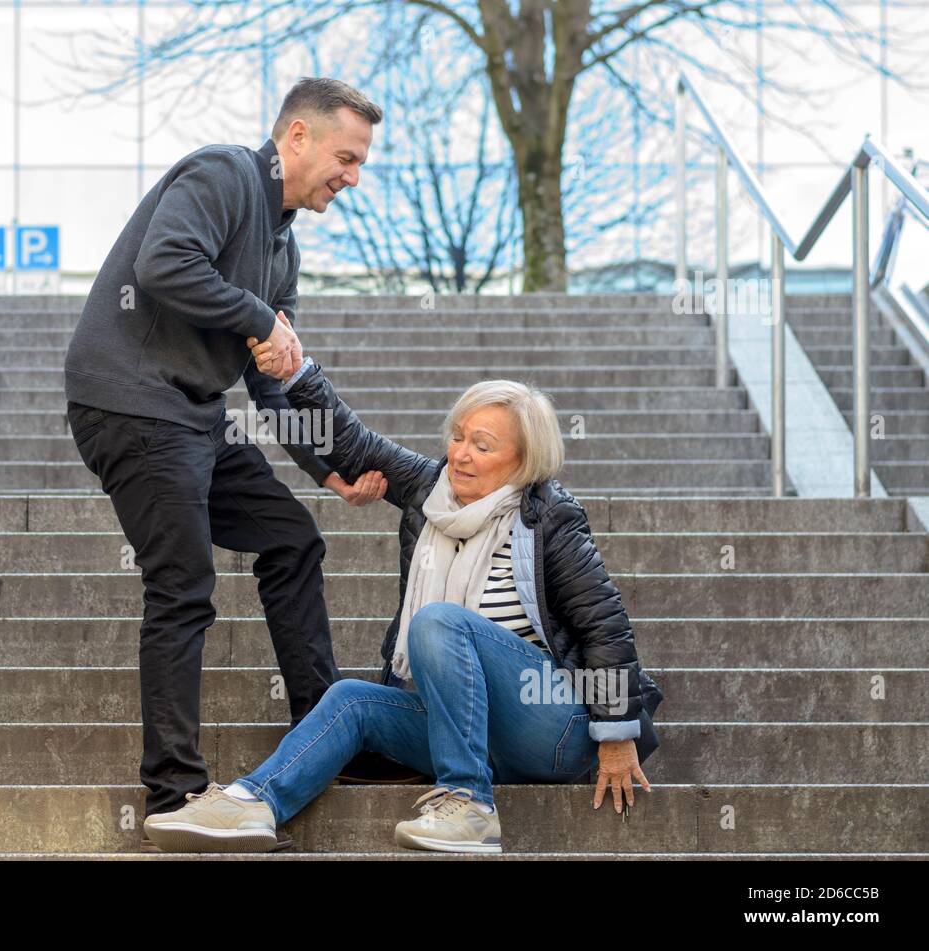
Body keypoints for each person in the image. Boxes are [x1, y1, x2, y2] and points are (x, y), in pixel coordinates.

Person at [143, 345, 664, 853]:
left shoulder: (549, 517)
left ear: (525, 461)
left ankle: (468, 805)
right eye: (458, 438)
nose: (460, 454)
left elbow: (605, 627)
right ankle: (251, 804)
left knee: (439, 623)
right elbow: (355, 445)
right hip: (469, 731)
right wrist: (299, 373)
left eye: (483, 445)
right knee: (351, 700)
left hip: (551, 726)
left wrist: (616, 733)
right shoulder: (429, 488)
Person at [62, 78, 389, 833]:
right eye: (346, 156)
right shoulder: (221, 174)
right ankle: (174, 794)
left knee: (293, 537)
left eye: (362, 161)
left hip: (195, 418)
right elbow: (164, 263)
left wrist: (325, 466)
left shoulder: (283, 249)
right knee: (183, 583)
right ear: (298, 138)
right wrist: (257, 318)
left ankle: (325, 730)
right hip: (131, 404)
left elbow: (270, 379)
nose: (353, 176)